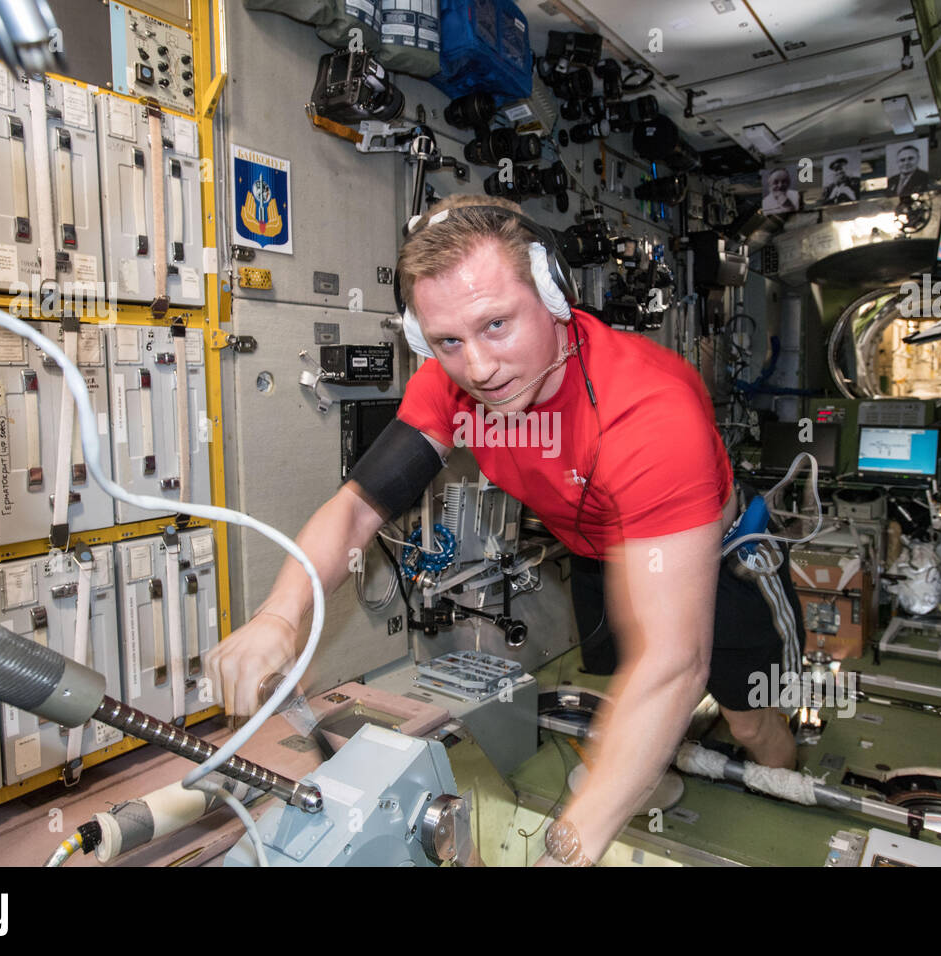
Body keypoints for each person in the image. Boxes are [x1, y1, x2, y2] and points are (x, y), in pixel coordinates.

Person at [205, 194, 801, 867]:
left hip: (712, 554)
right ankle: (640, 773)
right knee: (619, 700)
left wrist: (565, 851)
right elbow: (358, 508)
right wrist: (279, 618)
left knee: (749, 719)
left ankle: (787, 796)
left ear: (552, 296)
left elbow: (675, 663)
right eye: (449, 341)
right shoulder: (450, 384)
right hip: (598, 552)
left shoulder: (649, 411)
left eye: (496, 325)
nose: (479, 367)